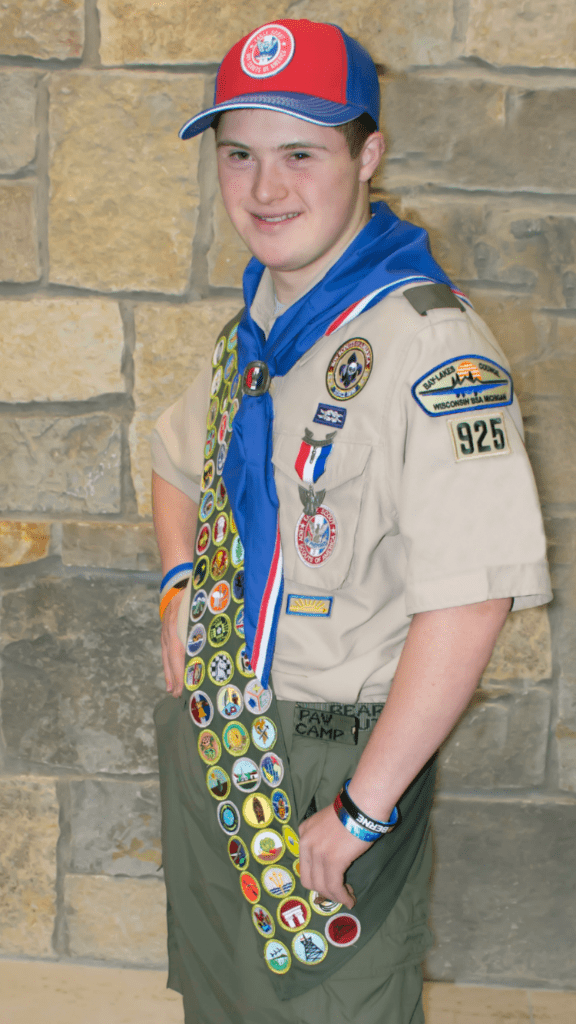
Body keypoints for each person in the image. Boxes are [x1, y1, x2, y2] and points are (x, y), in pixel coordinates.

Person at [151, 18, 552, 1024]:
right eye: (237, 153)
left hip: (333, 763)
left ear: (368, 155)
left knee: (335, 1009)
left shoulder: (432, 348)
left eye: (301, 153)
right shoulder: (257, 331)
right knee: (224, 1001)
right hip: (221, 735)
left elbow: (471, 600)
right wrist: (176, 586)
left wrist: (362, 811)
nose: (264, 188)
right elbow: (173, 461)